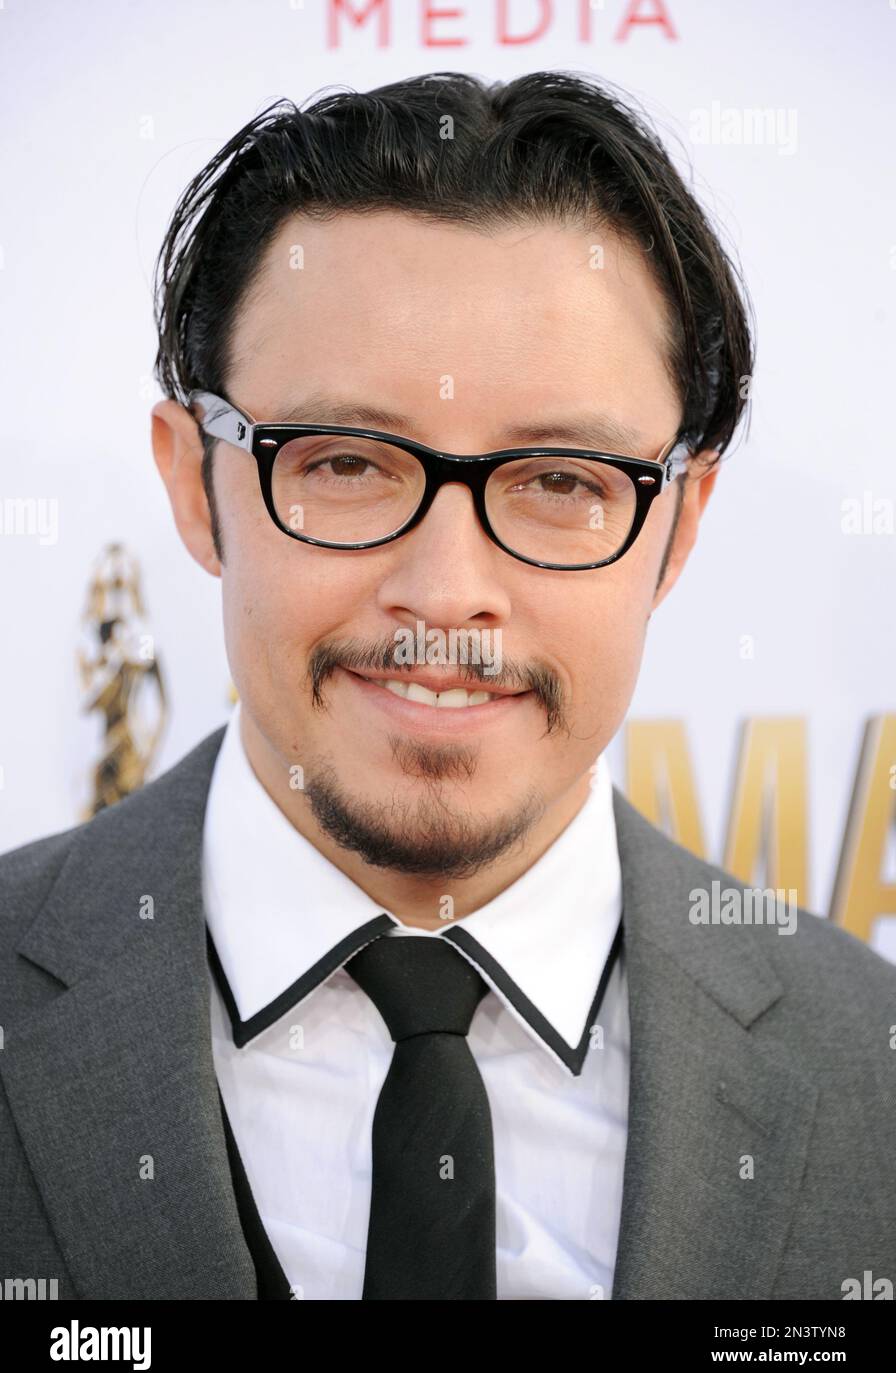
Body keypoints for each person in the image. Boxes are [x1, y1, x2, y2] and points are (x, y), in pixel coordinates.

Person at [1, 71, 893, 1303]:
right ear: (193, 482)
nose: (445, 589)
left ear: (679, 528)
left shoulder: (873, 1076)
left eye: (561, 479)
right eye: (348, 462)